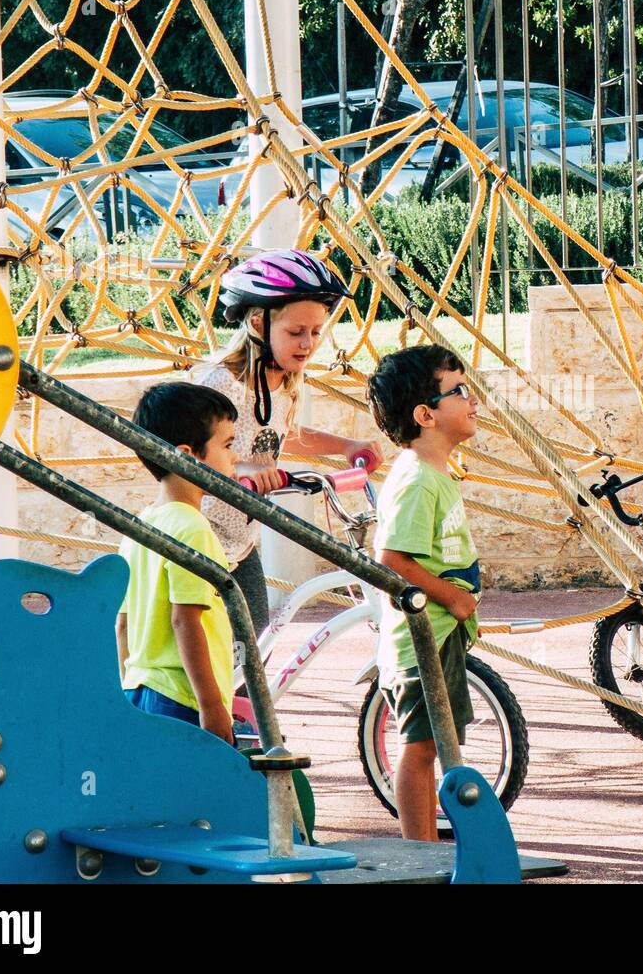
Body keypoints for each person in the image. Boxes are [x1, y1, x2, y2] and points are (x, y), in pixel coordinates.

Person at [192, 249, 384, 639]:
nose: (308, 343)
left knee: (254, 646)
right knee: (213, 656)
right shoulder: (222, 384)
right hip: (200, 539)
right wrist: (242, 470)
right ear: (259, 325)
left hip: (240, 544)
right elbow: (189, 458)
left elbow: (280, 436)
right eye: (295, 332)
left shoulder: (285, 382)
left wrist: (346, 445)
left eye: (315, 332)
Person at [366, 345, 481, 841]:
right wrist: (452, 598)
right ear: (425, 414)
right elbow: (392, 559)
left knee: (435, 743)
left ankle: (428, 846)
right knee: (419, 748)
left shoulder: (434, 475)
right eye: (459, 391)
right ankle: (420, 850)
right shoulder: (416, 478)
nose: (472, 399)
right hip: (422, 639)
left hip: (439, 636)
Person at [116, 382, 240, 744]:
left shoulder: (140, 524)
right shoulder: (193, 529)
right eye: (228, 445)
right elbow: (185, 621)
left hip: (138, 690)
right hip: (182, 698)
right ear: (187, 455)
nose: (235, 456)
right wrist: (212, 706)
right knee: (195, 797)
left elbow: (122, 626)